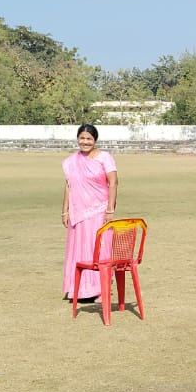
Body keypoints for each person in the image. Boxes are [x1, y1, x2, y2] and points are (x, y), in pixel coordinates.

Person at [62, 124, 118, 302]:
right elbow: (69, 185)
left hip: (99, 211)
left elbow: (113, 183)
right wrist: (65, 211)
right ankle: (79, 288)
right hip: (78, 212)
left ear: (95, 140)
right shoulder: (72, 161)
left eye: (89, 139)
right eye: (82, 138)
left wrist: (110, 209)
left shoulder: (104, 158)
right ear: (77, 139)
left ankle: (102, 289)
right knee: (79, 249)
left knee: (99, 249)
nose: (85, 142)